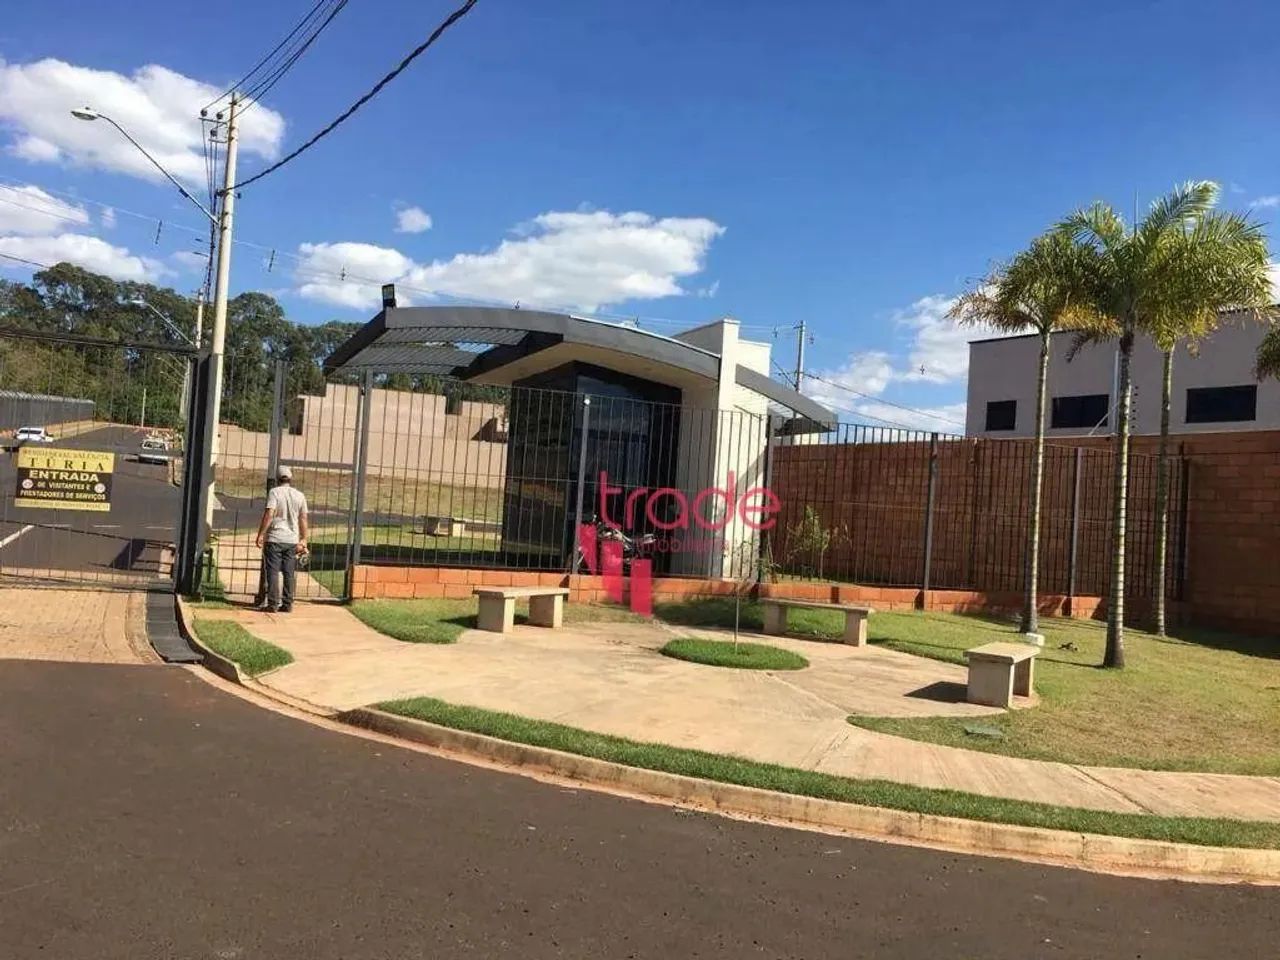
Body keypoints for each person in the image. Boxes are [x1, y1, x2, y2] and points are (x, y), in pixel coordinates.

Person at [255, 465, 309, 613]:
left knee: (272, 572)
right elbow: (303, 518)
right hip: (291, 539)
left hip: (275, 538)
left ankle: (272, 603)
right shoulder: (300, 495)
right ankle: (288, 603)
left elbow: (269, 514)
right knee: (289, 572)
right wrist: (304, 538)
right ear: (290, 479)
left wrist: (261, 534)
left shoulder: (274, 493)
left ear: (277, 479)